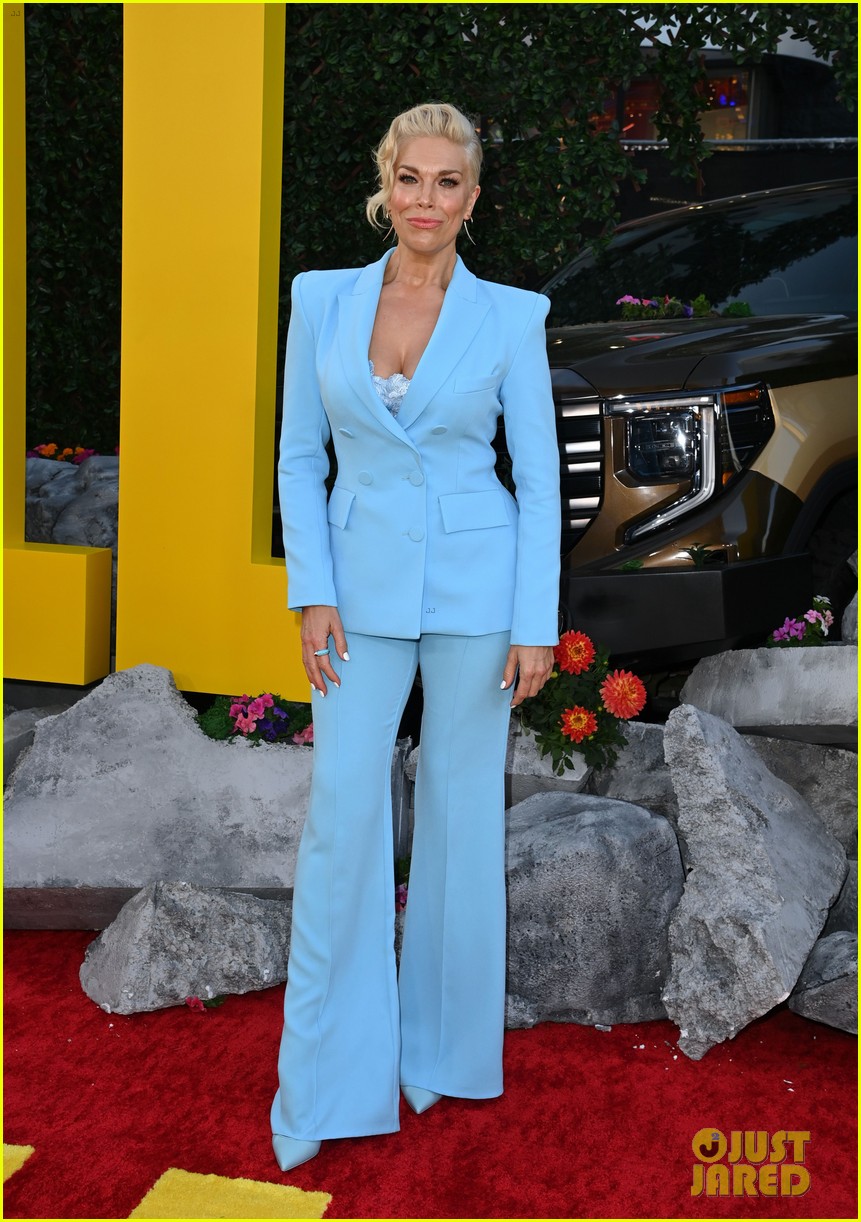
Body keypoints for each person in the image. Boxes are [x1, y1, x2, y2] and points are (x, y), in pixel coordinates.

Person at [270, 101, 561, 1172]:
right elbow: (301, 457)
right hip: (354, 598)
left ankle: (437, 1047)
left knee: (457, 820)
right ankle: (321, 1085)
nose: (425, 199)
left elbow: (537, 477)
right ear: (384, 184)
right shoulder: (322, 301)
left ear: (472, 200)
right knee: (342, 822)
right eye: (409, 177)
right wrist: (313, 591)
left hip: (481, 599)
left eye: (448, 182)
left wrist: (535, 622)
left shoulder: (512, 318)